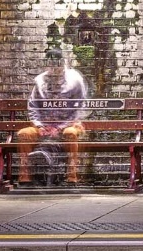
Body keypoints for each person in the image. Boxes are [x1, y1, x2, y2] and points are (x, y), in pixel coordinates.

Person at [17, 48, 89, 184]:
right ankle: (25, 176)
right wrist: (39, 126)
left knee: (71, 133)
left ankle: (71, 175)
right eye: (50, 65)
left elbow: (79, 108)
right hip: (43, 126)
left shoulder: (75, 81)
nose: (54, 69)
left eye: (57, 65)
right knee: (23, 134)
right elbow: (33, 107)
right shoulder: (39, 81)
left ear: (63, 64)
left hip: (69, 125)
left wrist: (61, 127)